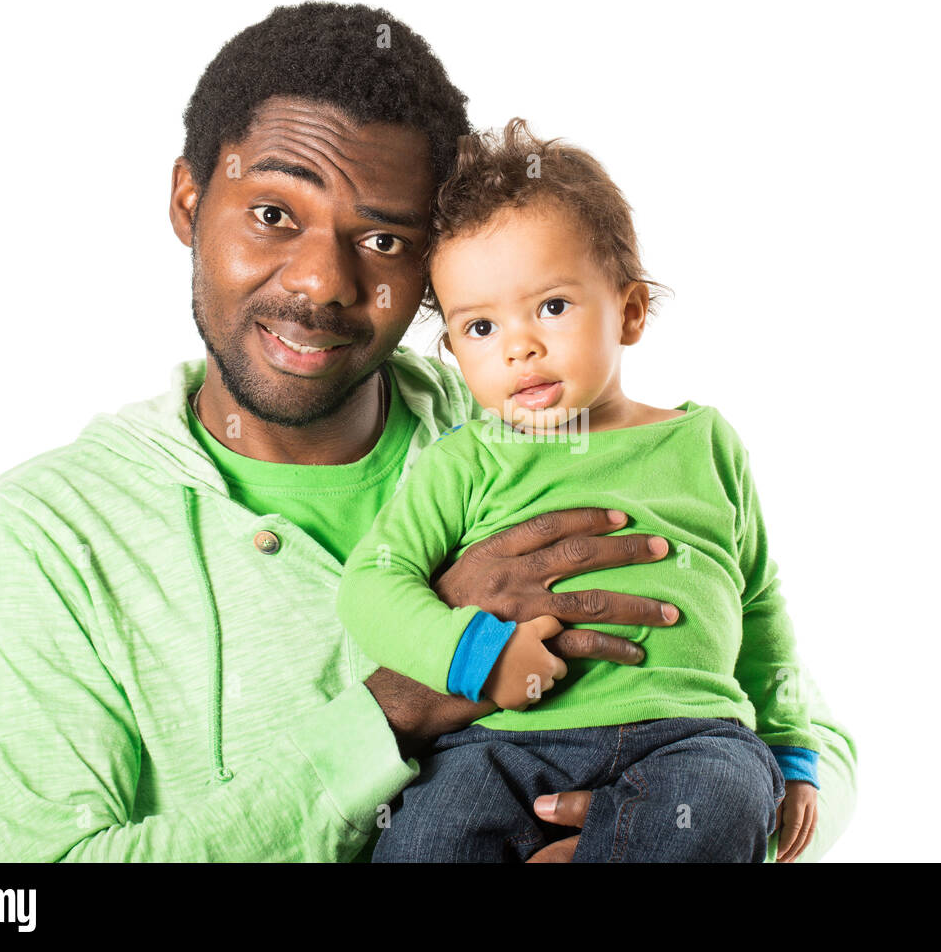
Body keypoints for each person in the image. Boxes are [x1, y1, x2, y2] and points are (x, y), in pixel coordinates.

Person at [0, 2, 857, 862]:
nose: (323, 282)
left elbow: (796, 723)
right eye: (272, 215)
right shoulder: (45, 530)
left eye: (383, 241)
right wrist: (400, 703)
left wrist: (702, 833)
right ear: (187, 200)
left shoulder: (527, 436)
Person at [338, 119, 820, 862]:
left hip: (689, 735)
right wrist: (478, 656)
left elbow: (759, 603)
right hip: (500, 746)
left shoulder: (705, 442)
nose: (519, 345)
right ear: (453, 350)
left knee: (727, 802)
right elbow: (371, 584)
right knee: (421, 841)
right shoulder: (464, 462)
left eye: (552, 307)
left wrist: (790, 749)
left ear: (628, 311)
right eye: (480, 326)